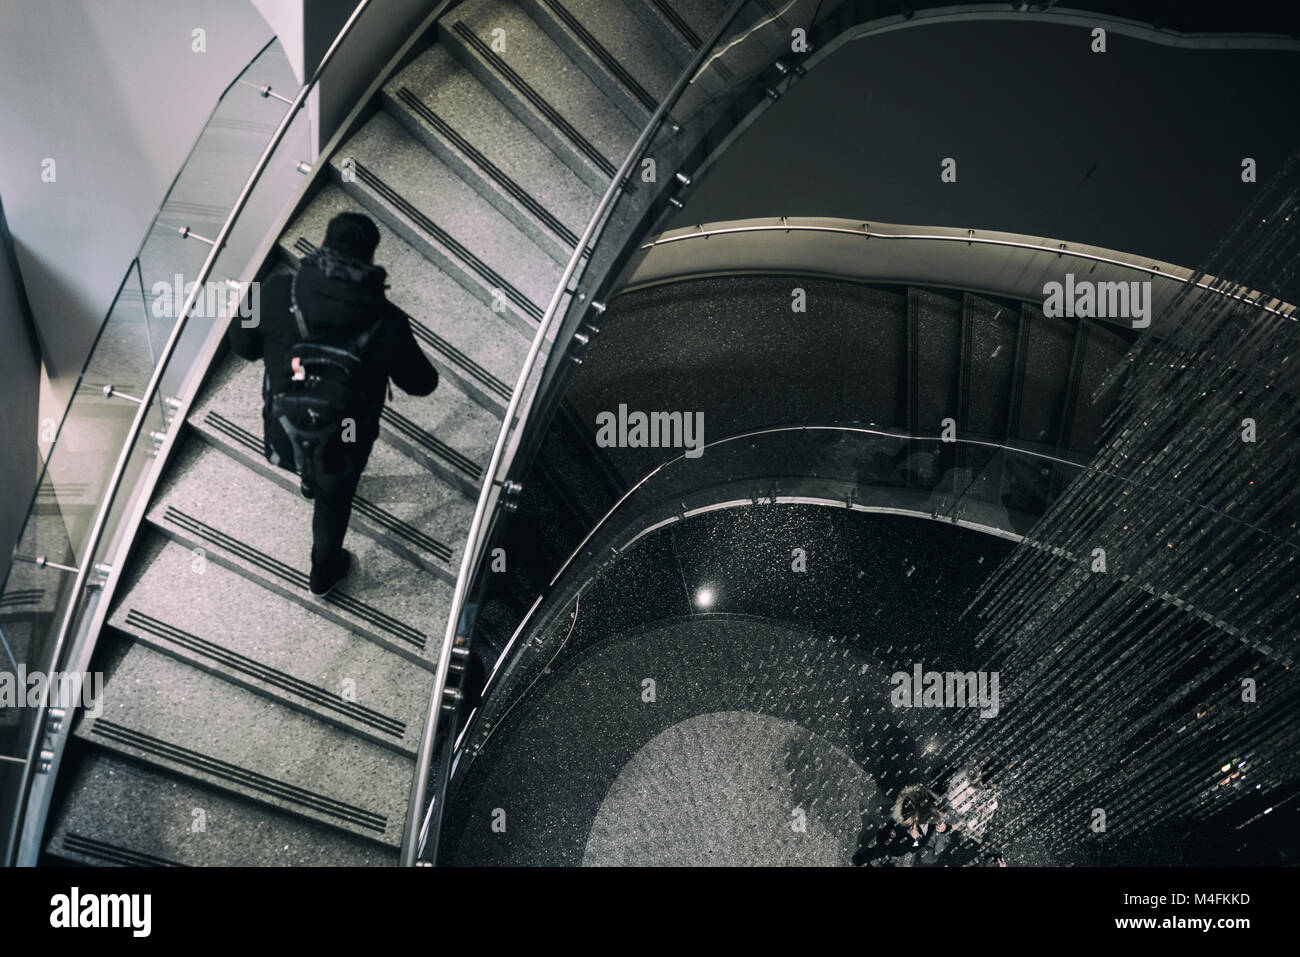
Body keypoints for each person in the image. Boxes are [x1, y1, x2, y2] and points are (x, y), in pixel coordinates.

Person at [229, 212, 438, 596]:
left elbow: (242, 346)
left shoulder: (275, 292)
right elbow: (423, 383)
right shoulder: (388, 322)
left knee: (308, 444)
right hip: (347, 437)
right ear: (370, 260)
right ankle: (324, 571)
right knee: (334, 498)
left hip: (284, 426)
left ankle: (306, 474)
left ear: (323, 242)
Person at [853, 784, 953, 866]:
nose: (939, 822)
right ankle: (859, 859)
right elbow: (900, 849)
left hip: (897, 844)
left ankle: (879, 860)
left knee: (885, 856)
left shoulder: (929, 818)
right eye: (938, 820)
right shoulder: (904, 825)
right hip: (889, 843)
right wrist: (913, 838)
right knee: (878, 852)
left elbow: (941, 822)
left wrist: (945, 828)